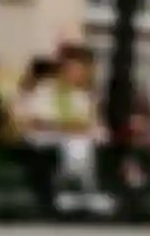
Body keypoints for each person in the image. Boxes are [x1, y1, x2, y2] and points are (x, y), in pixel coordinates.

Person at [22, 47, 107, 214]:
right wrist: (66, 126)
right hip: (46, 136)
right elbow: (36, 120)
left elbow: (88, 122)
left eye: (80, 70)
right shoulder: (45, 89)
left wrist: (82, 127)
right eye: (72, 69)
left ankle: (81, 191)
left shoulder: (82, 94)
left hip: (75, 137)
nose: (76, 74)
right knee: (77, 144)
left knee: (83, 143)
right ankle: (75, 190)